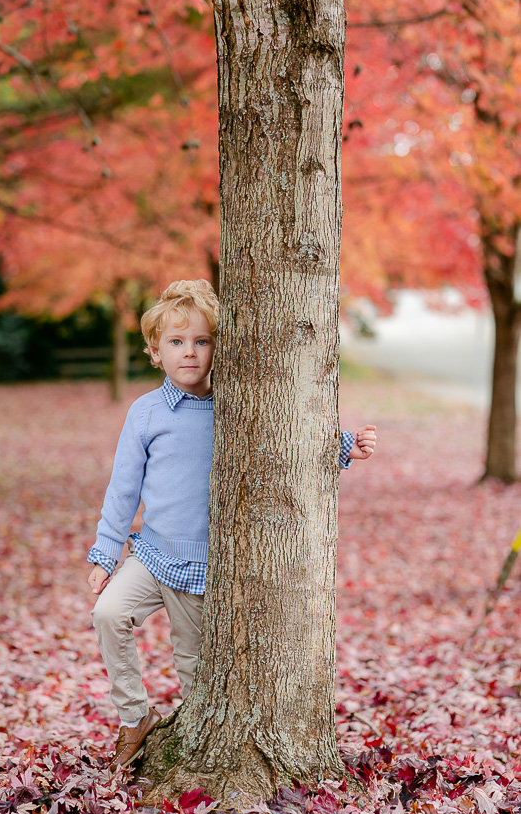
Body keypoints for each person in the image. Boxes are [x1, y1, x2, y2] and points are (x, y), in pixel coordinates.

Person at [87, 279, 377, 771]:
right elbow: (122, 490)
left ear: (220, 346)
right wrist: (103, 553)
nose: (190, 353)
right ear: (155, 352)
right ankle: (135, 716)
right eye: (176, 343)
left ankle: (201, 749)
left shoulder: (235, 408)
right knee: (108, 615)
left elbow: (286, 441)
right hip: (153, 554)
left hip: (206, 565)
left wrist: (344, 444)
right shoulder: (145, 413)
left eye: (202, 341)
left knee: (193, 665)